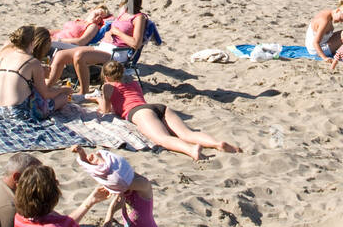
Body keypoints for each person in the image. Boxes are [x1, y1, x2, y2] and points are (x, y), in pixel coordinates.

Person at [98, 60, 240, 163]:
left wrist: (101, 99)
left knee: (162, 139)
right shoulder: (133, 82)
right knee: (187, 133)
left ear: (107, 76)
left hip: (139, 112)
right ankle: (216, 143)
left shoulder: (108, 86)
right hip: (158, 107)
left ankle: (191, 150)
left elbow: (105, 110)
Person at [47, 0, 149, 95]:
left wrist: (117, 32)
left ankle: (83, 92)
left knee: (80, 57)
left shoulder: (139, 18)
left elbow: (136, 43)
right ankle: (47, 87)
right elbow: (113, 30)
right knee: (60, 55)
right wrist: (109, 33)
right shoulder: (122, 13)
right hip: (103, 47)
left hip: (117, 53)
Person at [0, 24, 71, 117]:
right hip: (17, 111)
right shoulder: (33, 62)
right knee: (63, 98)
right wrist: (62, 90)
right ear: (32, 42)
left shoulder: (5, 56)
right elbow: (45, 94)